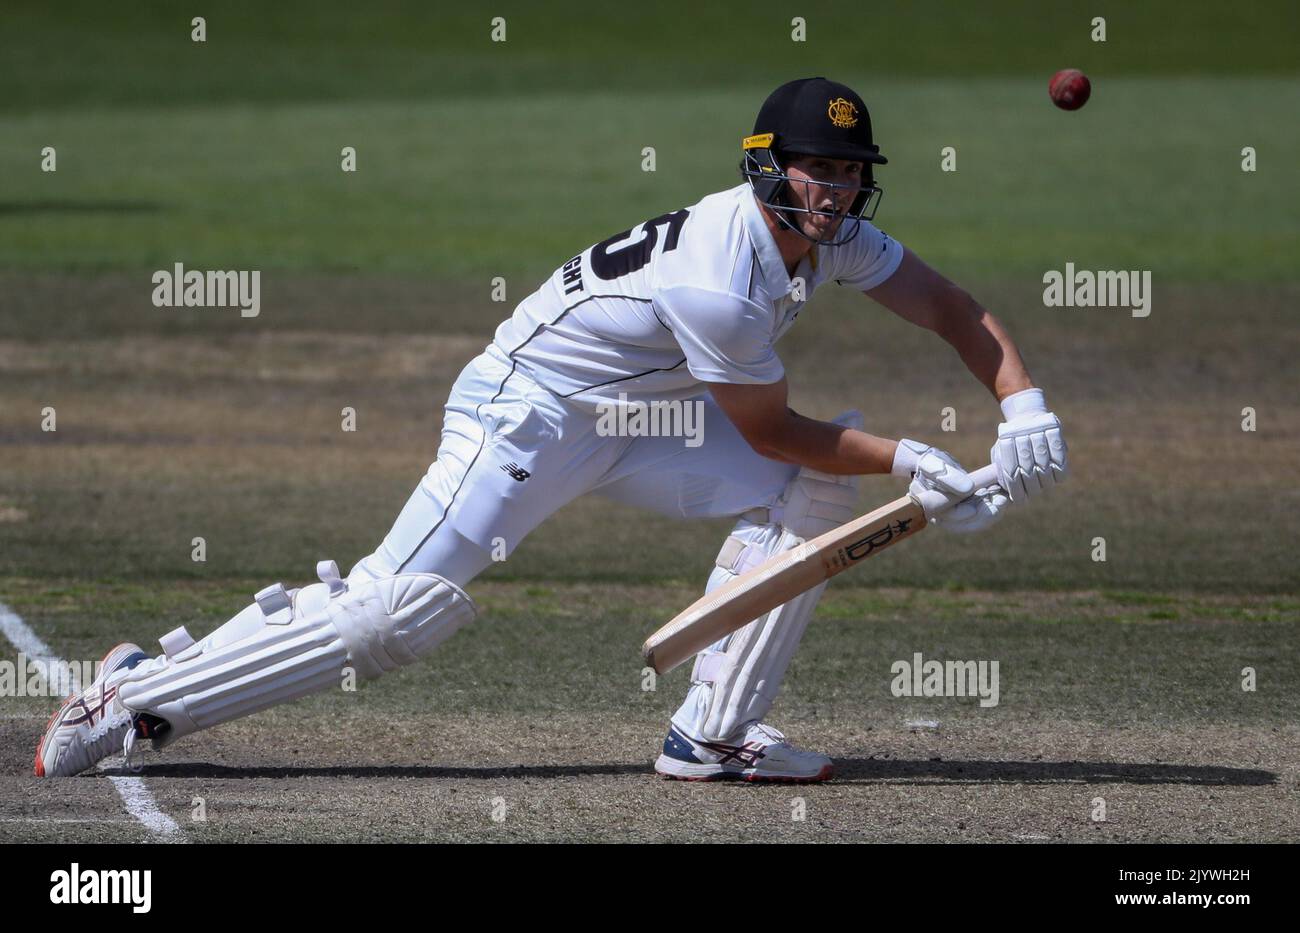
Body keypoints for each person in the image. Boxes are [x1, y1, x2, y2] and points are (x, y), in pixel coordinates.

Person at [37, 77, 1066, 782]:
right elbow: (767, 429)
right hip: (523, 411)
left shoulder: (828, 236)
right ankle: (130, 700)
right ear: (768, 169)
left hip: (632, 416)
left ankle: (712, 737)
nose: (837, 191)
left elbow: (950, 307)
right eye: (818, 170)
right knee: (391, 613)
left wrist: (1021, 405)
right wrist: (914, 462)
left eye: (849, 172)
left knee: (812, 494)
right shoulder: (720, 276)